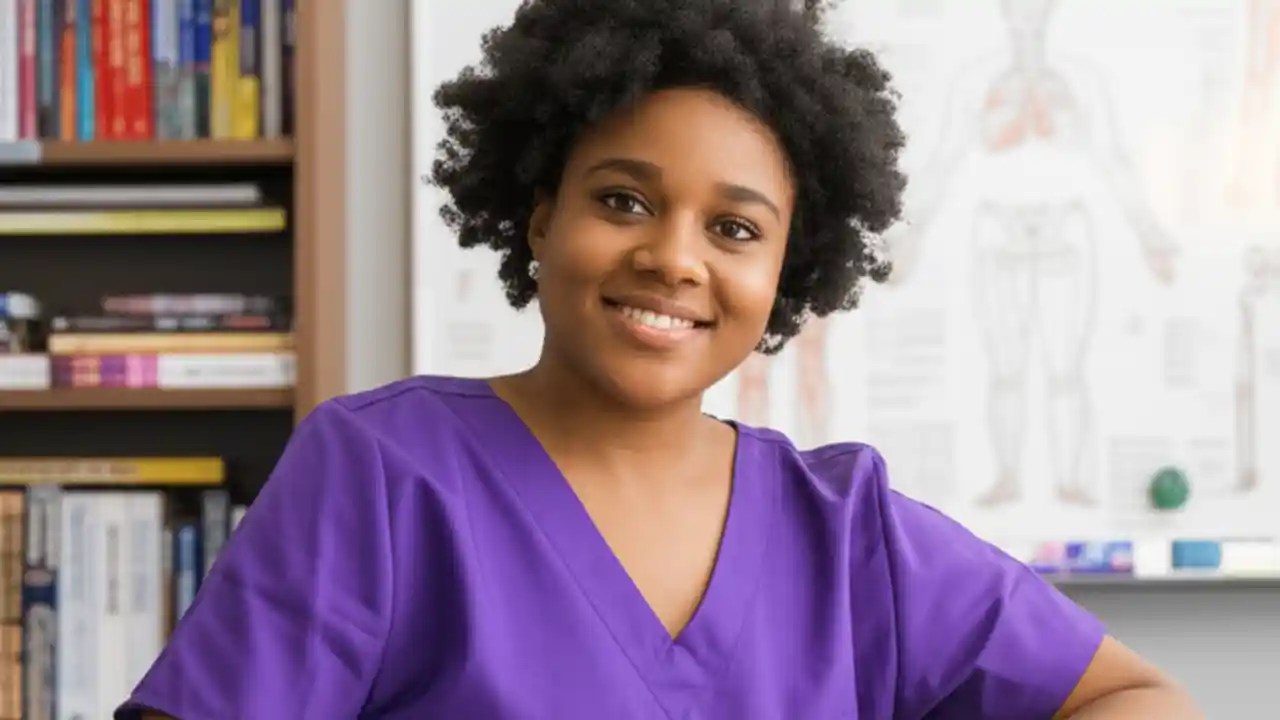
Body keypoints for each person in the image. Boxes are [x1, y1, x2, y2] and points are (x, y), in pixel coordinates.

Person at [115, 1, 1199, 718]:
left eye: (733, 230)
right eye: (622, 200)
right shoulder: (383, 473)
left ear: (788, 270)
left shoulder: (845, 529)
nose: (671, 258)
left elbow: (1131, 697)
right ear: (538, 216)